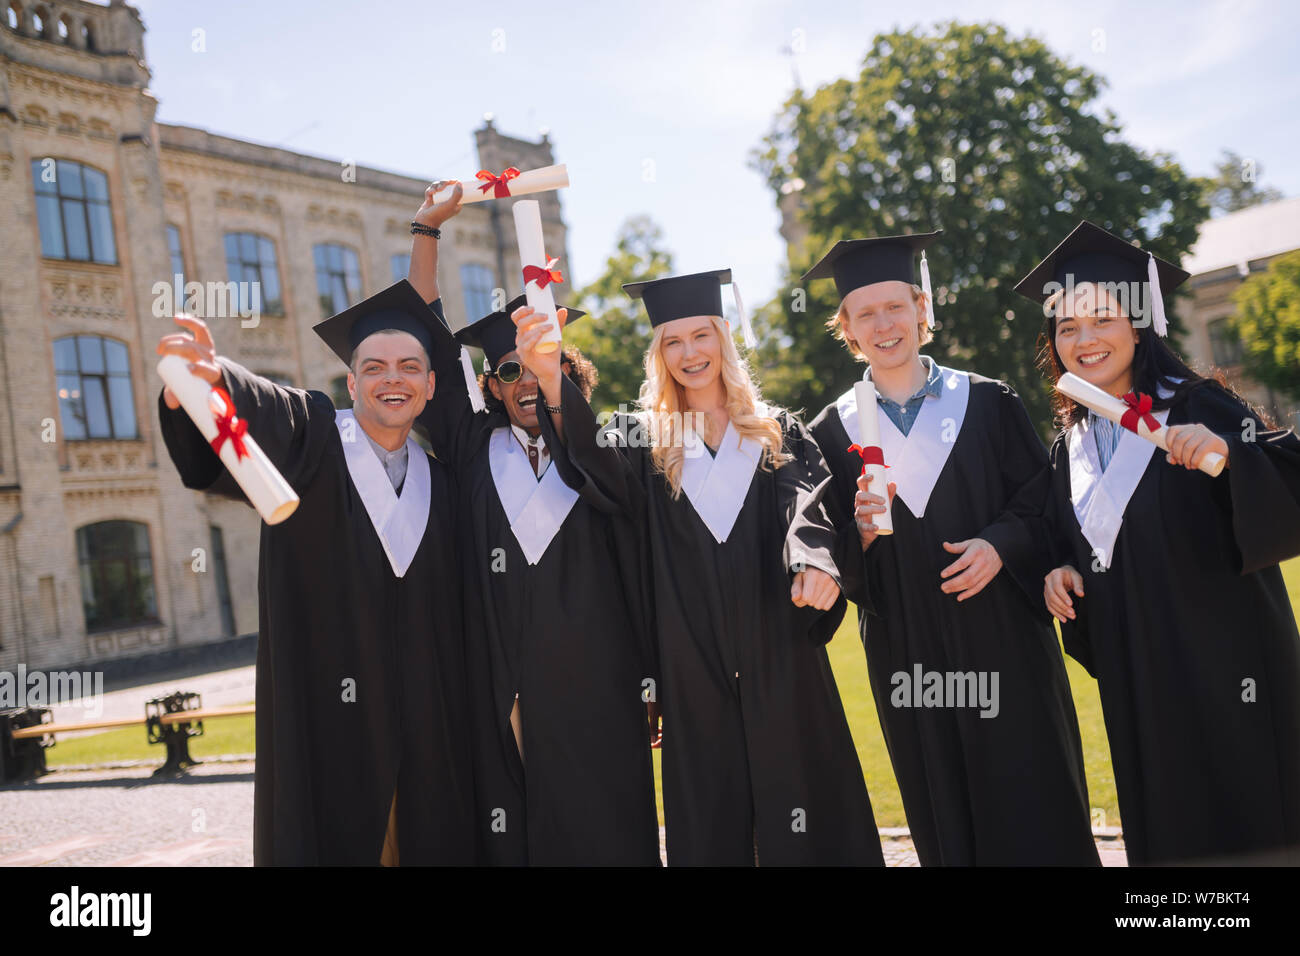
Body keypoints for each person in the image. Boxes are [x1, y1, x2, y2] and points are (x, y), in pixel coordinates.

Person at [517, 268, 883, 866]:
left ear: (723, 340)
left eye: (701, 336)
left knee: (808, 805)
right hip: (689, 667)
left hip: (780, 653)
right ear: (659, 354)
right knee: (711, 818)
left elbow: (805, 504)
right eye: (673, 342)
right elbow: (590, 465)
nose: (690, 354)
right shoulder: (641, 441)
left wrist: (815, 562)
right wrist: (551, 375)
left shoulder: (772, 430)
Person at [156, 275, 476, 866]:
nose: (392, 379)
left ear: (432, 385)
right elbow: (269, 409)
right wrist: (211, 383)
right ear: (350, 382)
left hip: (430, 734)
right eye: (374, 367)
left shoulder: (448, 484)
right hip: (330, 722)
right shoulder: (315, 441)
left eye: (410, 367)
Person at [804, 233, 1099, 866]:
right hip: (906, 647)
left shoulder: (988, 401)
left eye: (895, 307)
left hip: (1005, 638)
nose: (884, 325)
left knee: (1032, 787)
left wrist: (1000, 544)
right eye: (866, 314)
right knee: (941, 796)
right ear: (848, 330)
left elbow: (1043, 504)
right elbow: (828, 556)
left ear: (921, 309)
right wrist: (855, 535)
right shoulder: (831, 432)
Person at [1017, 219, 1300, 865]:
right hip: (1136, 671)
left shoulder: (1197, 404)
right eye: (1067, 328)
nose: (1084, 340)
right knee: (1167, 822)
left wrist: (1231, 453)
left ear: (1137, 325)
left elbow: (1289, 470)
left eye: (1102, 320)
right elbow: (1074, 538)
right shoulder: (1072, 446)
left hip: (1227, 666)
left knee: (1247, 813)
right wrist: (1060, 570)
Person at [408, 188, 659, 864]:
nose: (522, 380)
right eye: (507, 370)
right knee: (522, 834)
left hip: (602, 684)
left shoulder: (606, 447)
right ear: (490, 386)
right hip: (506, 687)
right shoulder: (469, 449)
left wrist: (649, 678)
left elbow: (636, 552)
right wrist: (425, 230)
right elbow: (427, 335)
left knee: (613, 826)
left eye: (536, 366)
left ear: (565, 369)